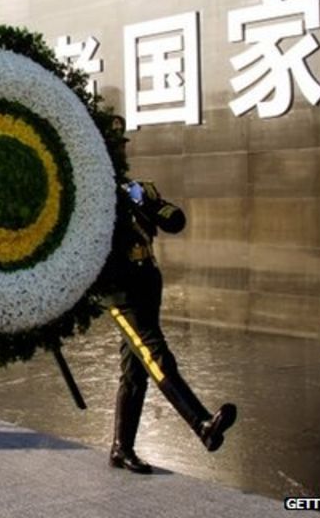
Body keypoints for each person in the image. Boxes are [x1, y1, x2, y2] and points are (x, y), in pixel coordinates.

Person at [105, 124, 237, 474]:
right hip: (118, 289)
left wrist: (149, 204)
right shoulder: (90, 192)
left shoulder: (132, 188)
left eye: (120, 147)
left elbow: (175, 221)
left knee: (135, 371)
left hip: (147, 278)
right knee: (154, 353)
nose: (119, 152)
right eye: (112, 146)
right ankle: (202, 424)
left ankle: (121, 448)